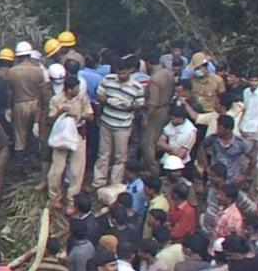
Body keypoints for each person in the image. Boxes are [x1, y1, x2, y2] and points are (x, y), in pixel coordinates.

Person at [94, 58, 146, 187]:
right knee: (103, 154)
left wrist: (128, 105)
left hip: (123, 126)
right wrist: (109, 101)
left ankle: (115, 183)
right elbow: (99, 96)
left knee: (120, 157)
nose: (121, 76)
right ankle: (99, 181)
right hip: (106, 122)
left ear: (130, 71)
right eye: (119, 73)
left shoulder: (137, 86)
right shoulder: (108, 79)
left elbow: (140, 106)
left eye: (124, 73)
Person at [44, 69, 90, 207]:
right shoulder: (56, 99)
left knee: (77, 170)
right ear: (69, 89)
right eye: (76, 88)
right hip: (61, 136)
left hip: (78, 133)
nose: (78, 90)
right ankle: (54, 197)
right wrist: (60, 111)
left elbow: (90, 115)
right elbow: (50, 119)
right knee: (57, 169)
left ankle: (72, 200)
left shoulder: (82, 98)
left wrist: (79, 115)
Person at [156, 104, 198, 175]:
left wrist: (165, 148)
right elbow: (159, 142)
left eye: (173, 119)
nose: (171, 121)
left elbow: (181, 154)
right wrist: (172, 149)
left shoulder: (190, 132)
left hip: (180, 164)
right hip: (166, 160)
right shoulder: (172, 124)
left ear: (180, 118)